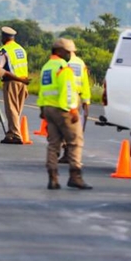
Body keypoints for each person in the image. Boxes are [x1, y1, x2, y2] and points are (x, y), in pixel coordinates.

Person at [38, 38, 91, 190]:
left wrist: (42, 110)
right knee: (75, 142)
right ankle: (75, 176)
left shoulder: (46, 67)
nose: (70, 55)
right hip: (63, 110)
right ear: (59, 51)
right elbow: (68, 90)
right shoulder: (63, 67)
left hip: (48, 109)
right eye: (68, 52)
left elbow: (43, 90)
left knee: (53, 144)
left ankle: (53, 178)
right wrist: (73, 109)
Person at [0, 26, 31, 144]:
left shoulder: (4, 50)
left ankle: (16, 135)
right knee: (16, 110)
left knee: (11, 109)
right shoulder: (21, 49)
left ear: (5, 37)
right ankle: (11, 133)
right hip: (23, 82)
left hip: (11, 82)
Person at [59, 48, 91, 163]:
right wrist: (86, 101)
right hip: (76, 98)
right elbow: (85, 84)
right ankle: (71, 153)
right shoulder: (80, 63)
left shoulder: (62, 63)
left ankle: (68, 153)